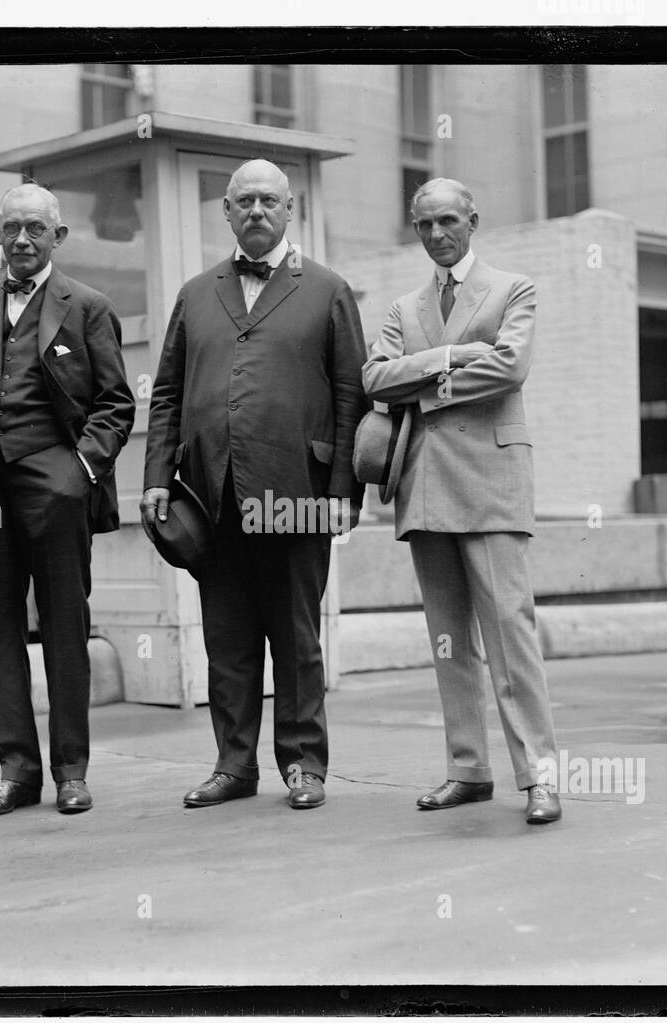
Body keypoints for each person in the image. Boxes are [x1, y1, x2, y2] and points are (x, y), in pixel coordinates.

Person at [142, 159, 368, 811]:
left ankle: (304, 765)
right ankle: (233, 765)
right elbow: (166, 394)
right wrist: (158, 475)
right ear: (227, 212)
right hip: (210, 496)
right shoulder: (195, 293)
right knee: (228, 638)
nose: (257, 211)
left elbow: (352, 395)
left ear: (291, 209)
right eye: (244, 201)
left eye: (270, 200)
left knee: (297, 636)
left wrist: (341, 492)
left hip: (297, 495)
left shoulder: (326, 290)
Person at [0, 184, 135, 818]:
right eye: (11, 228)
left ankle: (71, 770)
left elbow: (116, 403)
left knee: (66, 630)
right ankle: (17, 772)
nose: (22, 240)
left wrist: (78, 469)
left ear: (58, 237)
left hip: (58, 494)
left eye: (35, 230)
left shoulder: (88, 307)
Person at [361, 178, 562, 824]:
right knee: (449, 639)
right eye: (423, 225)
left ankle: (539, 776)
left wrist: (421, 383)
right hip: (425, 487)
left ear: (474, 220)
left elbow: (509, 368)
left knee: (510, 633)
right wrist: (452, 355)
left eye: (448, 220)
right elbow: (372, 378)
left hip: (492, 481)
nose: (436, 234)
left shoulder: (514, 289)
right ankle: (468, 769)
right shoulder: (401, 308)